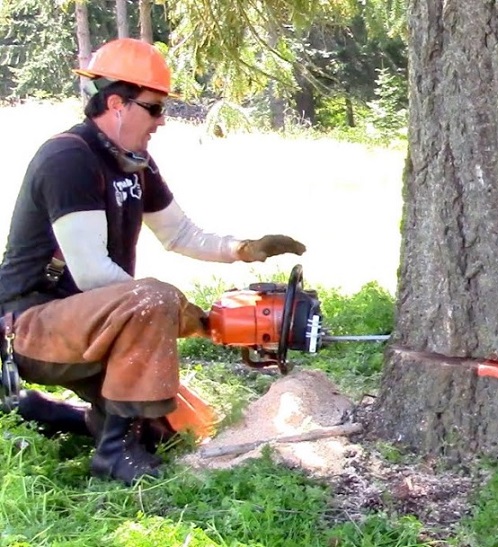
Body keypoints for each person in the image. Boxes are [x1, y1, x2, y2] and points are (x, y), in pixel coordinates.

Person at [0, 38, 306, 485]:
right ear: (116, 104)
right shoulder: (70, 159)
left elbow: (180, 234)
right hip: (31, 324)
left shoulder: (134, 162)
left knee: (171, 426)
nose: (161, 122)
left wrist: (245, 248)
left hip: (89, 325)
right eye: (154, 108)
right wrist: (191, 317)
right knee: (152, 301)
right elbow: (92, 276)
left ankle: (40, 412)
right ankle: (113, 457)